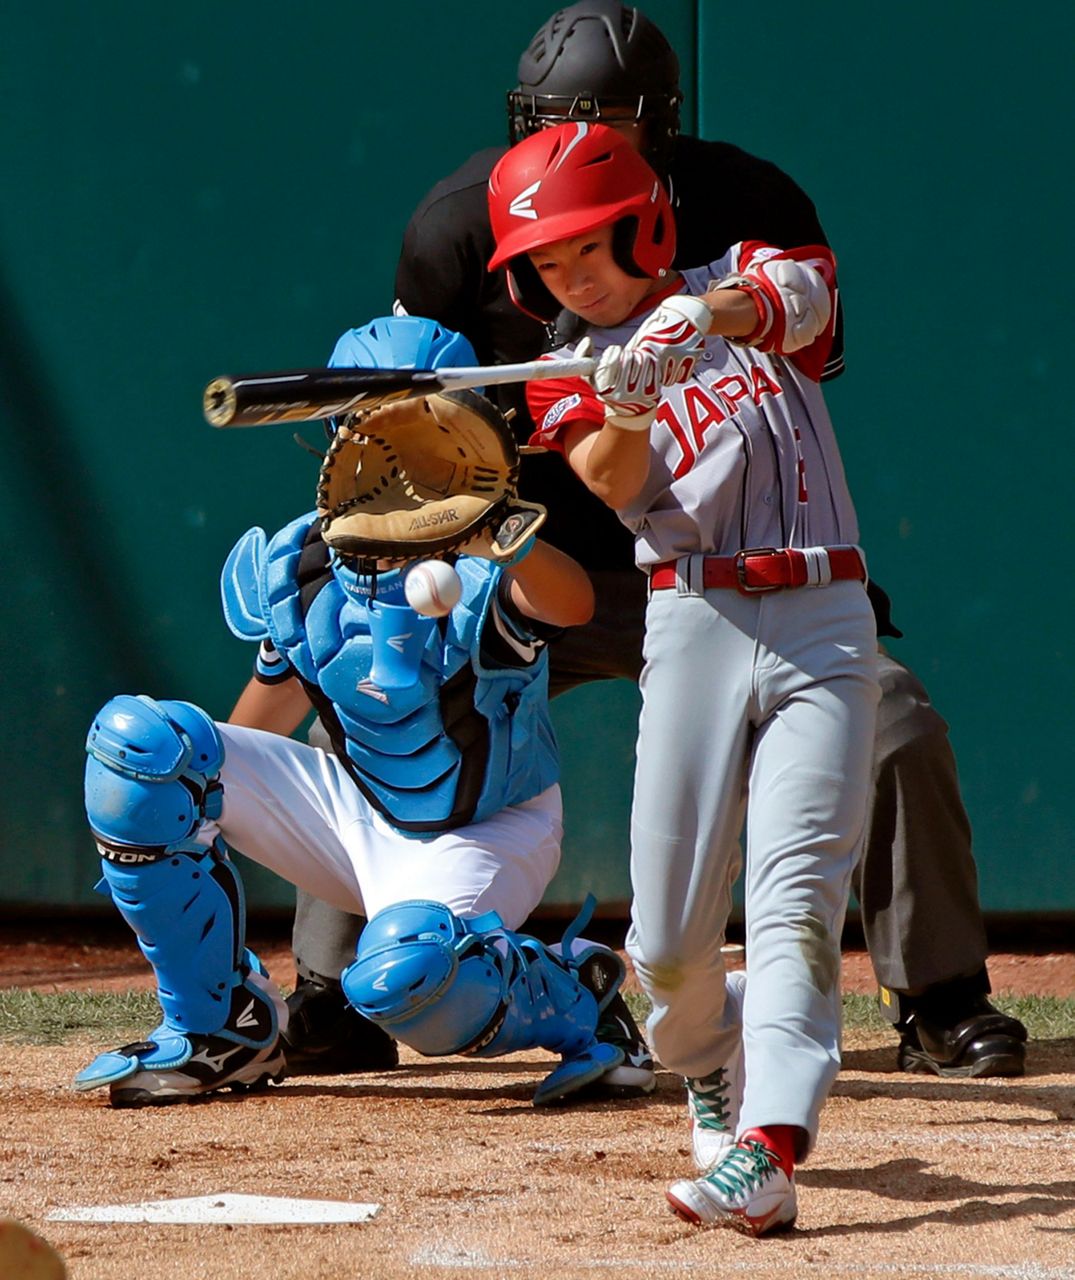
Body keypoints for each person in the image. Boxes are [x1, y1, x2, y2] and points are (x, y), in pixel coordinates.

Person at [286, 0, 1026, 1082]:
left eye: (608, 124)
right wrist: (475, 461)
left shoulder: (746, 205)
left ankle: (939, 996)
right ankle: (326, 985)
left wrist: (695, 317)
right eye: (551, 122)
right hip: (526, 558)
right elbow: (424, 420)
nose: (575, 147)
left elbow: (804, 318)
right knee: (374, 693)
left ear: (660, 133)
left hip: (717, 559)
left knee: (894, 717)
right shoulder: (460, 225)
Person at [71, 318, 650, 1110]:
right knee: (142, 748)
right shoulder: (303, 561)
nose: (401, 451)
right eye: (376, 427)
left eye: (426, 429)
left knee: (403, 986)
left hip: (484, 829)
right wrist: (174, 821)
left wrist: (495, 533)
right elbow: (249, 730)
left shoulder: (489, 551)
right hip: (353, 809)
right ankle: (221, 1027)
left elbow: (570, 604)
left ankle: (579, 991)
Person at [490, 118, 880, 1234]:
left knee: (795, 893)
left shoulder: (738, 269)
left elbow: (803, 299)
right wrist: (628, 397)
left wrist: (699, 317)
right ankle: (707, 1053)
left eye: (588, 247)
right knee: (662, 945)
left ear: (645, 225)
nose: (573, 278)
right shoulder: (569, 370)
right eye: (547, 264)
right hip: (692, 614)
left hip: (822, 613)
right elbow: (615, 483)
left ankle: (770, 1146)